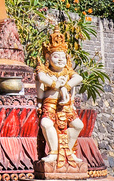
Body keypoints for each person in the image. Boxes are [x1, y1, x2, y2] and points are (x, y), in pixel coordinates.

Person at [35, 28, 83, 170]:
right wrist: (56, 85)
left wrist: (65, 86)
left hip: (66, 105)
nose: (60, 59)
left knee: (78, 125)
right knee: (46, 123)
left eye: (63, 56)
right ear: (48, 57)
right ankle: (54, 152)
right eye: (56, 56)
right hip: (50, 104)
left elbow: (79, 78)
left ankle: (68, 152)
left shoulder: (68, 71)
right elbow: (41, 78)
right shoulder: (44, 70)